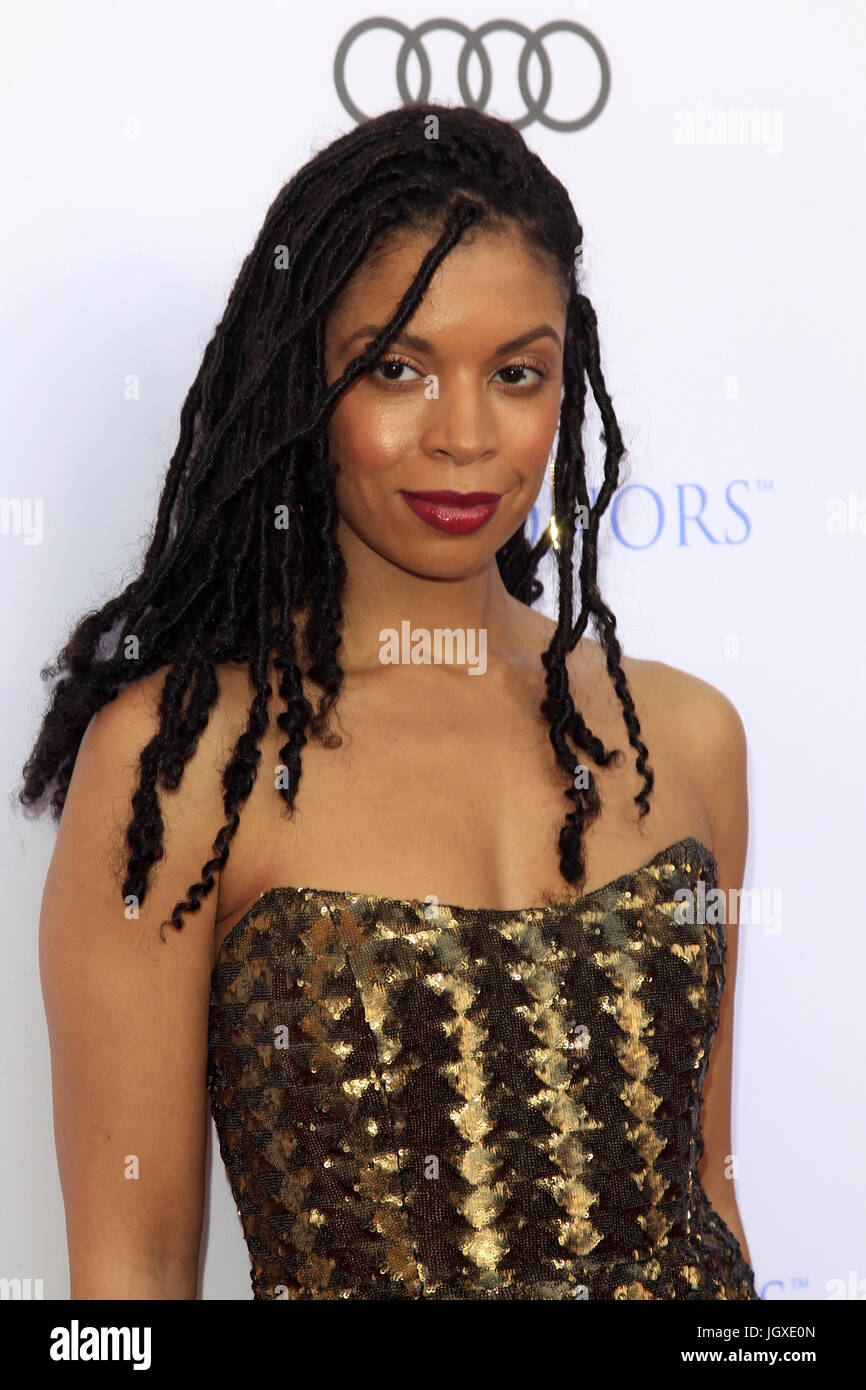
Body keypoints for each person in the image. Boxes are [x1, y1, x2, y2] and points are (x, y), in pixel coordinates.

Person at [21, 104, 757, 1300]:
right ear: (303, 381)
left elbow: (709, 1199)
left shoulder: (686, 737)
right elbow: (131, 1281)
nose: (463, 436)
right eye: (396, 369)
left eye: (515, 373)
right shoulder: (179, 766)